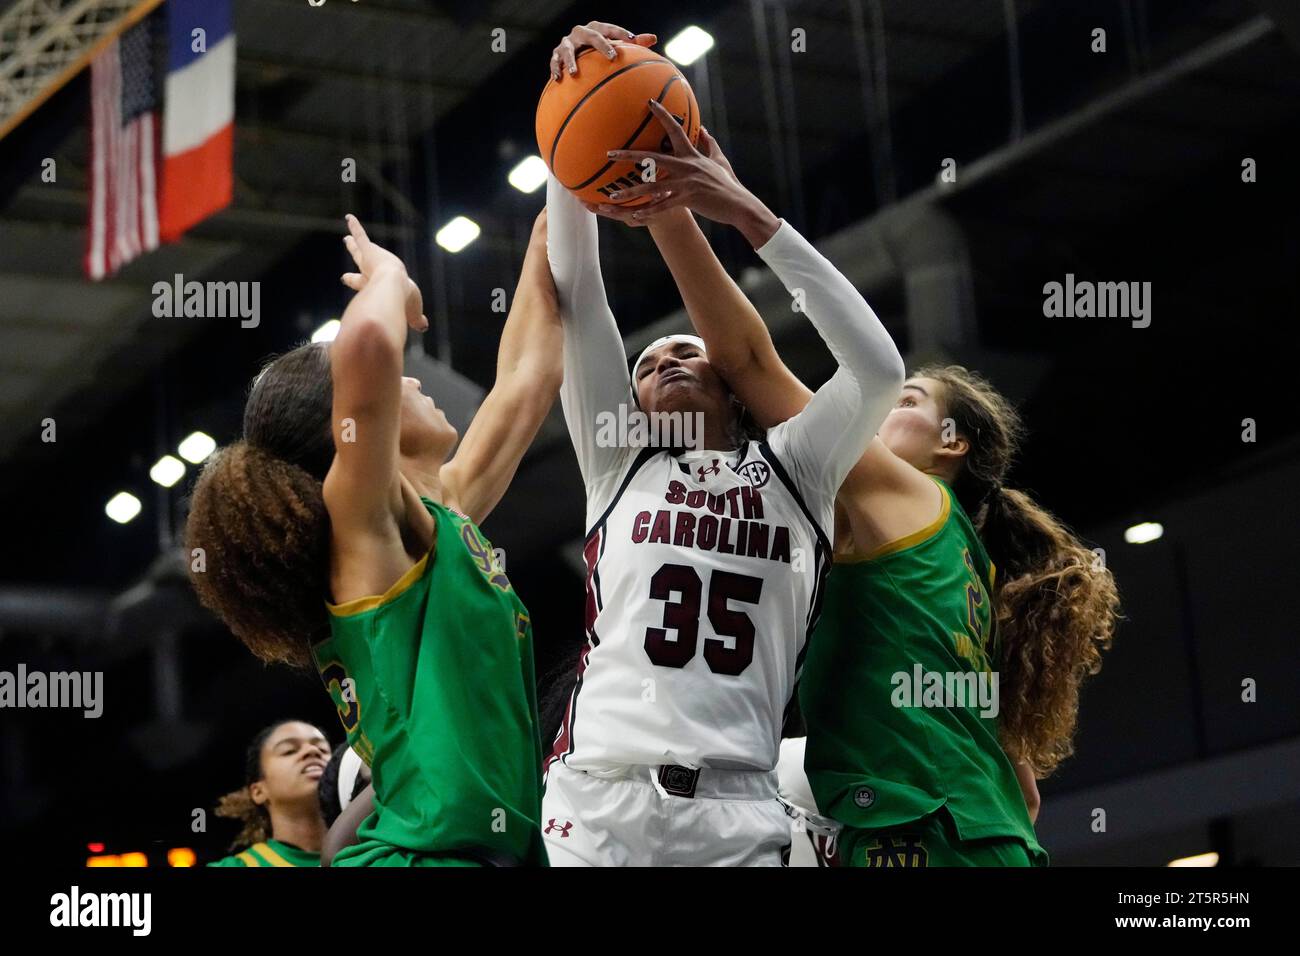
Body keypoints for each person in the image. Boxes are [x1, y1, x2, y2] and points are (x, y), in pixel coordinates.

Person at [618, 138, 1120, 865]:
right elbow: (1023, 786)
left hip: (919, 837)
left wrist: (678, 209)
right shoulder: (966, 561)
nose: (883, 413)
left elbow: (752, 362)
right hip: (975, 832)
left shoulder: (903, 494)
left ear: (952, 447)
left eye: (909, 401)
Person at [540, 22, 905, 866]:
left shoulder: (797, 470)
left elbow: (878, 370)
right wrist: (568, 114)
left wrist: (749, 214)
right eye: (647, 361)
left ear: (738, 395)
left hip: (741, 806)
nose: (665, 355)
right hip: (601, 798)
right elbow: (578, 295)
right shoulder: (617, 463)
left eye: (688, 352)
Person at [187, 211, 560, 866]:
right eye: (395, 385)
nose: (413, 381)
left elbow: (531, 379)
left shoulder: (440, 521)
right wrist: (389, 275)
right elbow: (369, 349)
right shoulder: (359, 536)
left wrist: (553, 230)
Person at [207, 720, 331, 867]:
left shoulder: (363, 851)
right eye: (289, 750)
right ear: (258, 792)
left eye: (323, 750)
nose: (312, 751)